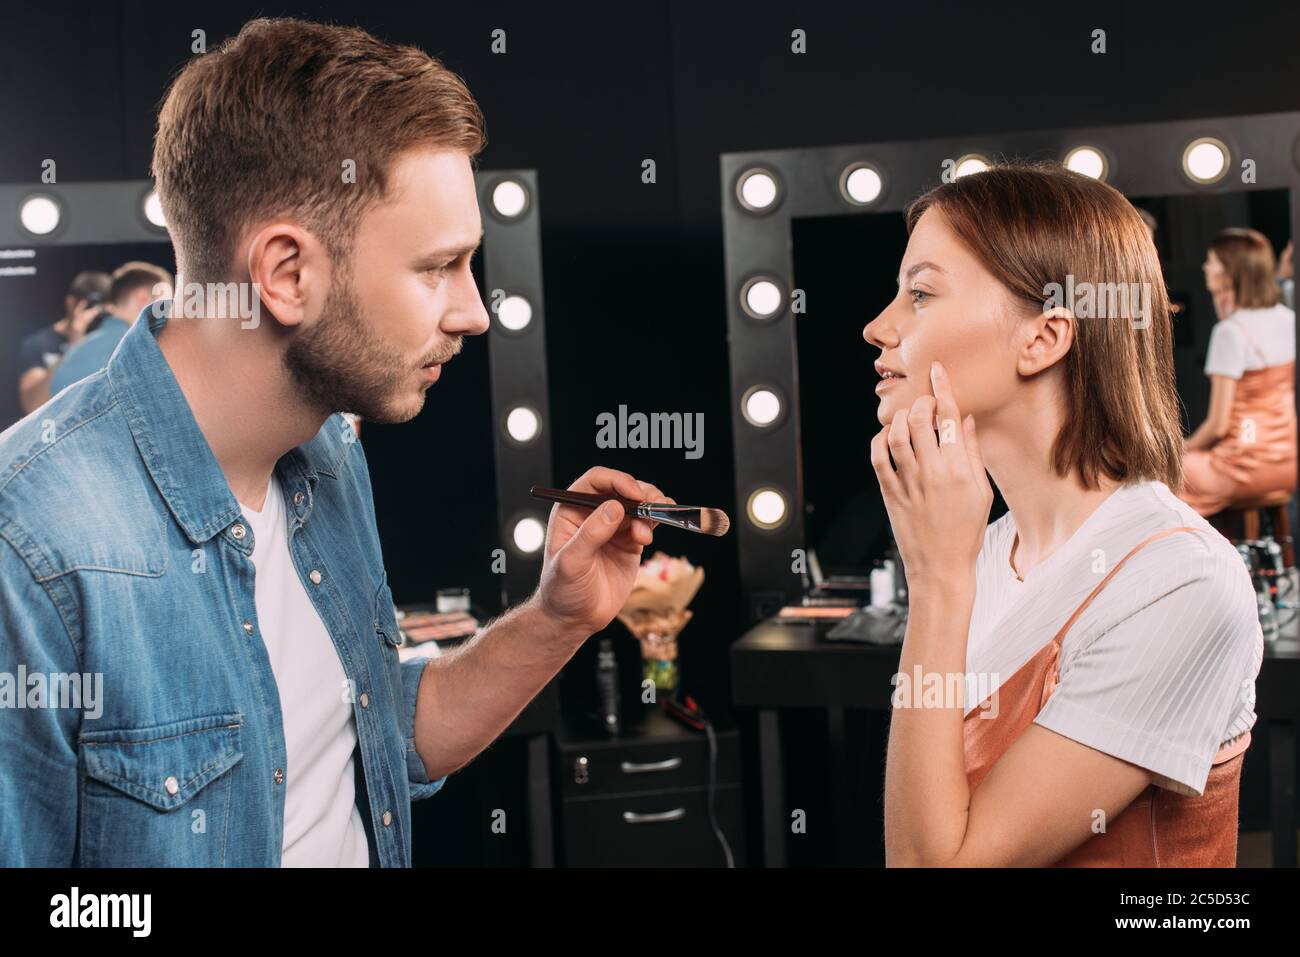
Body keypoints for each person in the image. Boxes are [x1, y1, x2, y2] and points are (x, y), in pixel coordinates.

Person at [0, 17, 673, 867]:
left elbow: (377, 732)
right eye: (438, 267)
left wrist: (557, 618)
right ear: (286, 274)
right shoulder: (27, 548)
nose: (473, 311)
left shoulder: (330, 454)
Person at [864, 162, 1261, 866]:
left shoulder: (1180, 582)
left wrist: (936, 581)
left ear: (1043, 338)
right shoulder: (987, 552)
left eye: (920, 293)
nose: (877, 327)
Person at [1179, 229, 1296, 518]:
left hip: (1245, 466)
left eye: (1212, 261)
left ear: (1230, 274)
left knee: (1158, 475)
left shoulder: (1230, 332)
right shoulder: (1287, 317)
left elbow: (1218, 426)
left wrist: (1182, 448)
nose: (1206, 267)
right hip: (1289, 461)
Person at [46, 261, 174, 395]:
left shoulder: (82, 347)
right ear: (142, 298)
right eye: (164, 304)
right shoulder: (138, 349)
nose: (168, 314)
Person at [15, 270, 110, 414]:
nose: (95, 315)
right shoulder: (39, 344)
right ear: (71, 303)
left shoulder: (111, 342)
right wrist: (74, 346)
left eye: (102, 309)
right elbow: (33, 405)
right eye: (90, 306)